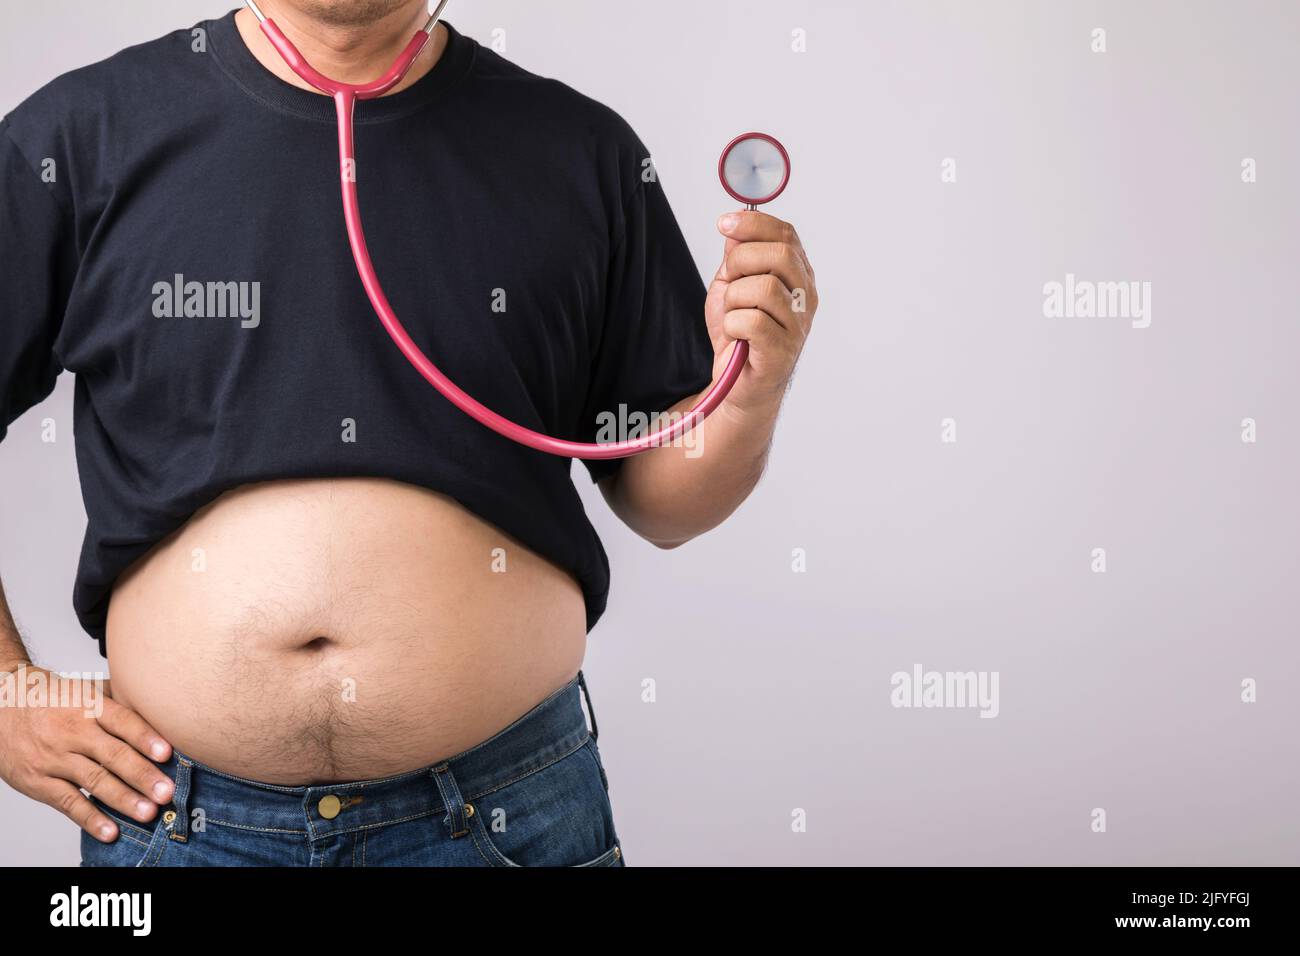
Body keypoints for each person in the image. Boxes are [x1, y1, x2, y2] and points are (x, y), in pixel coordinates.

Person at [0, 0, 818, 866]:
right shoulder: (78, 137)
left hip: (505, 820)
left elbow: (664, 504)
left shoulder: (582, 152)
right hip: (175, 823)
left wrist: (753, 394)